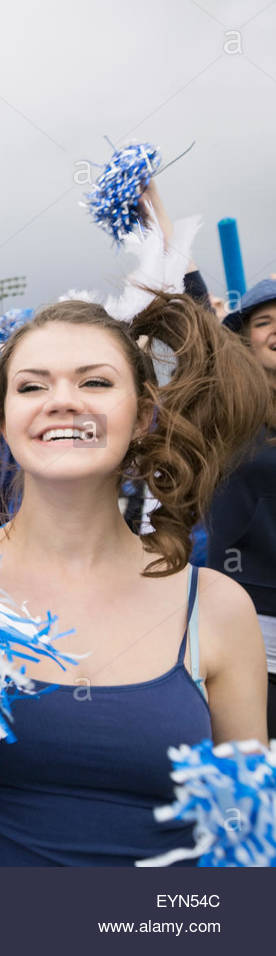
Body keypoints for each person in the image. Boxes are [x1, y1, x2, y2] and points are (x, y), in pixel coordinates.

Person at [0, 292, 270, 865]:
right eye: (31, 386)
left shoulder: (216, 606)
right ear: (3, 415)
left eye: (95, 383)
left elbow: (244, 832)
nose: (62, 402)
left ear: (143, 412)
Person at [209, 278, 276, 738]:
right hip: (250, 627)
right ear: (244, 339)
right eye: (264, 321)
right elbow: (193, 315)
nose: (275, 330)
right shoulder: (228, 409)